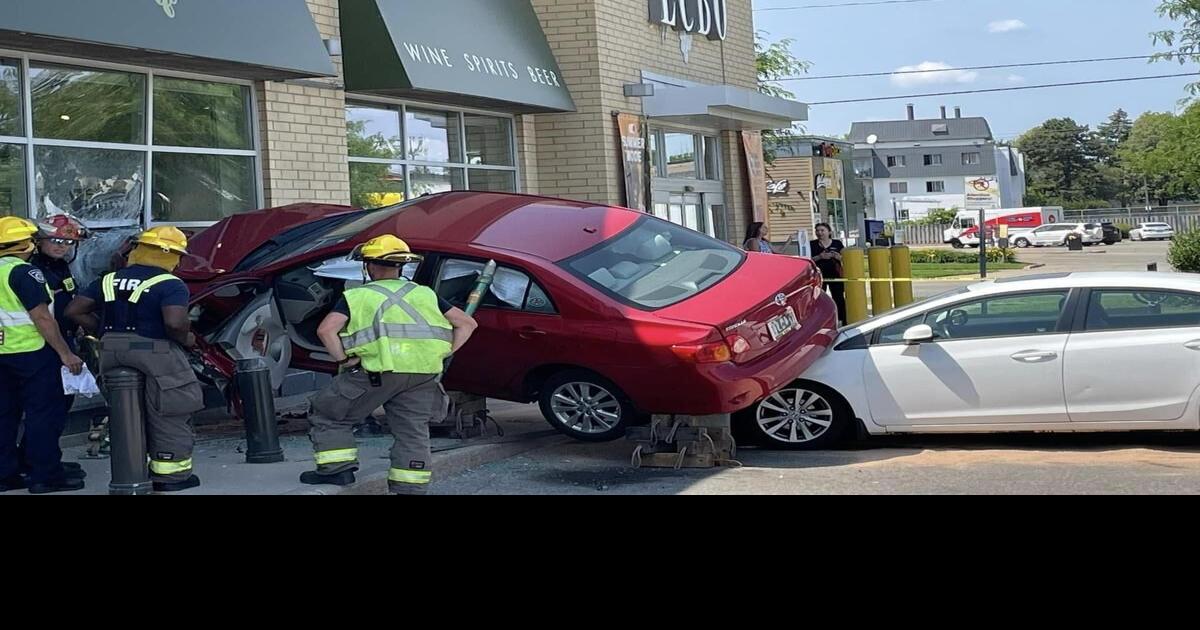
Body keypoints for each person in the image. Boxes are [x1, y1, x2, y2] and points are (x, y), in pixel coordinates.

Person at [300, 235, 478, 495]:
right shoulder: (425, 294)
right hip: (422, 374)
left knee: (329, 412)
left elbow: (326, 330)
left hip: (376, 372)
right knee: (412, 429)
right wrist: (444, 352)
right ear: (401, 266)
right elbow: (467, 324)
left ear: (369, 266)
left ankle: (337, 470)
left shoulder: (357, 296)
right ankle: (410, 486)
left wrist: (343, 359)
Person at [66, 226, 204, 493]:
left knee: (127, 410)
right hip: (155, 351)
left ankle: (131, 471)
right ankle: (171, 476)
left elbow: (74, 310)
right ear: (171, 255)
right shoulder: (170, 283)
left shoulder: (108, 279)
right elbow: (174, 323)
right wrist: (187, 339)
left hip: (110, 351)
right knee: (170, 409)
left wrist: (103, 331)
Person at [0, 217, 86, 494]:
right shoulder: (26, 272)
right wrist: (65, 353)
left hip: (4, 353)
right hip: (35, 352)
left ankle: (6, 474)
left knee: (5, 415)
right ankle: (45, 476)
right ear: (28, 243)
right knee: (43, 415)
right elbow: (42, 318)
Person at [810, 222, 847, 325]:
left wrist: (837, 257)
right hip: (819, 275)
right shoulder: (812, 244)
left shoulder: (837, 243)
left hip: (835, 274)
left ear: (829, 232)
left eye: (822, 230)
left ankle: (842, 319)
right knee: (819, 298)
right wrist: (820, 257)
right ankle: (821, 321)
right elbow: (808, 259)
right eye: (817, 231)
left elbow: (845, 258)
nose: (819, 233)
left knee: (838, 297)